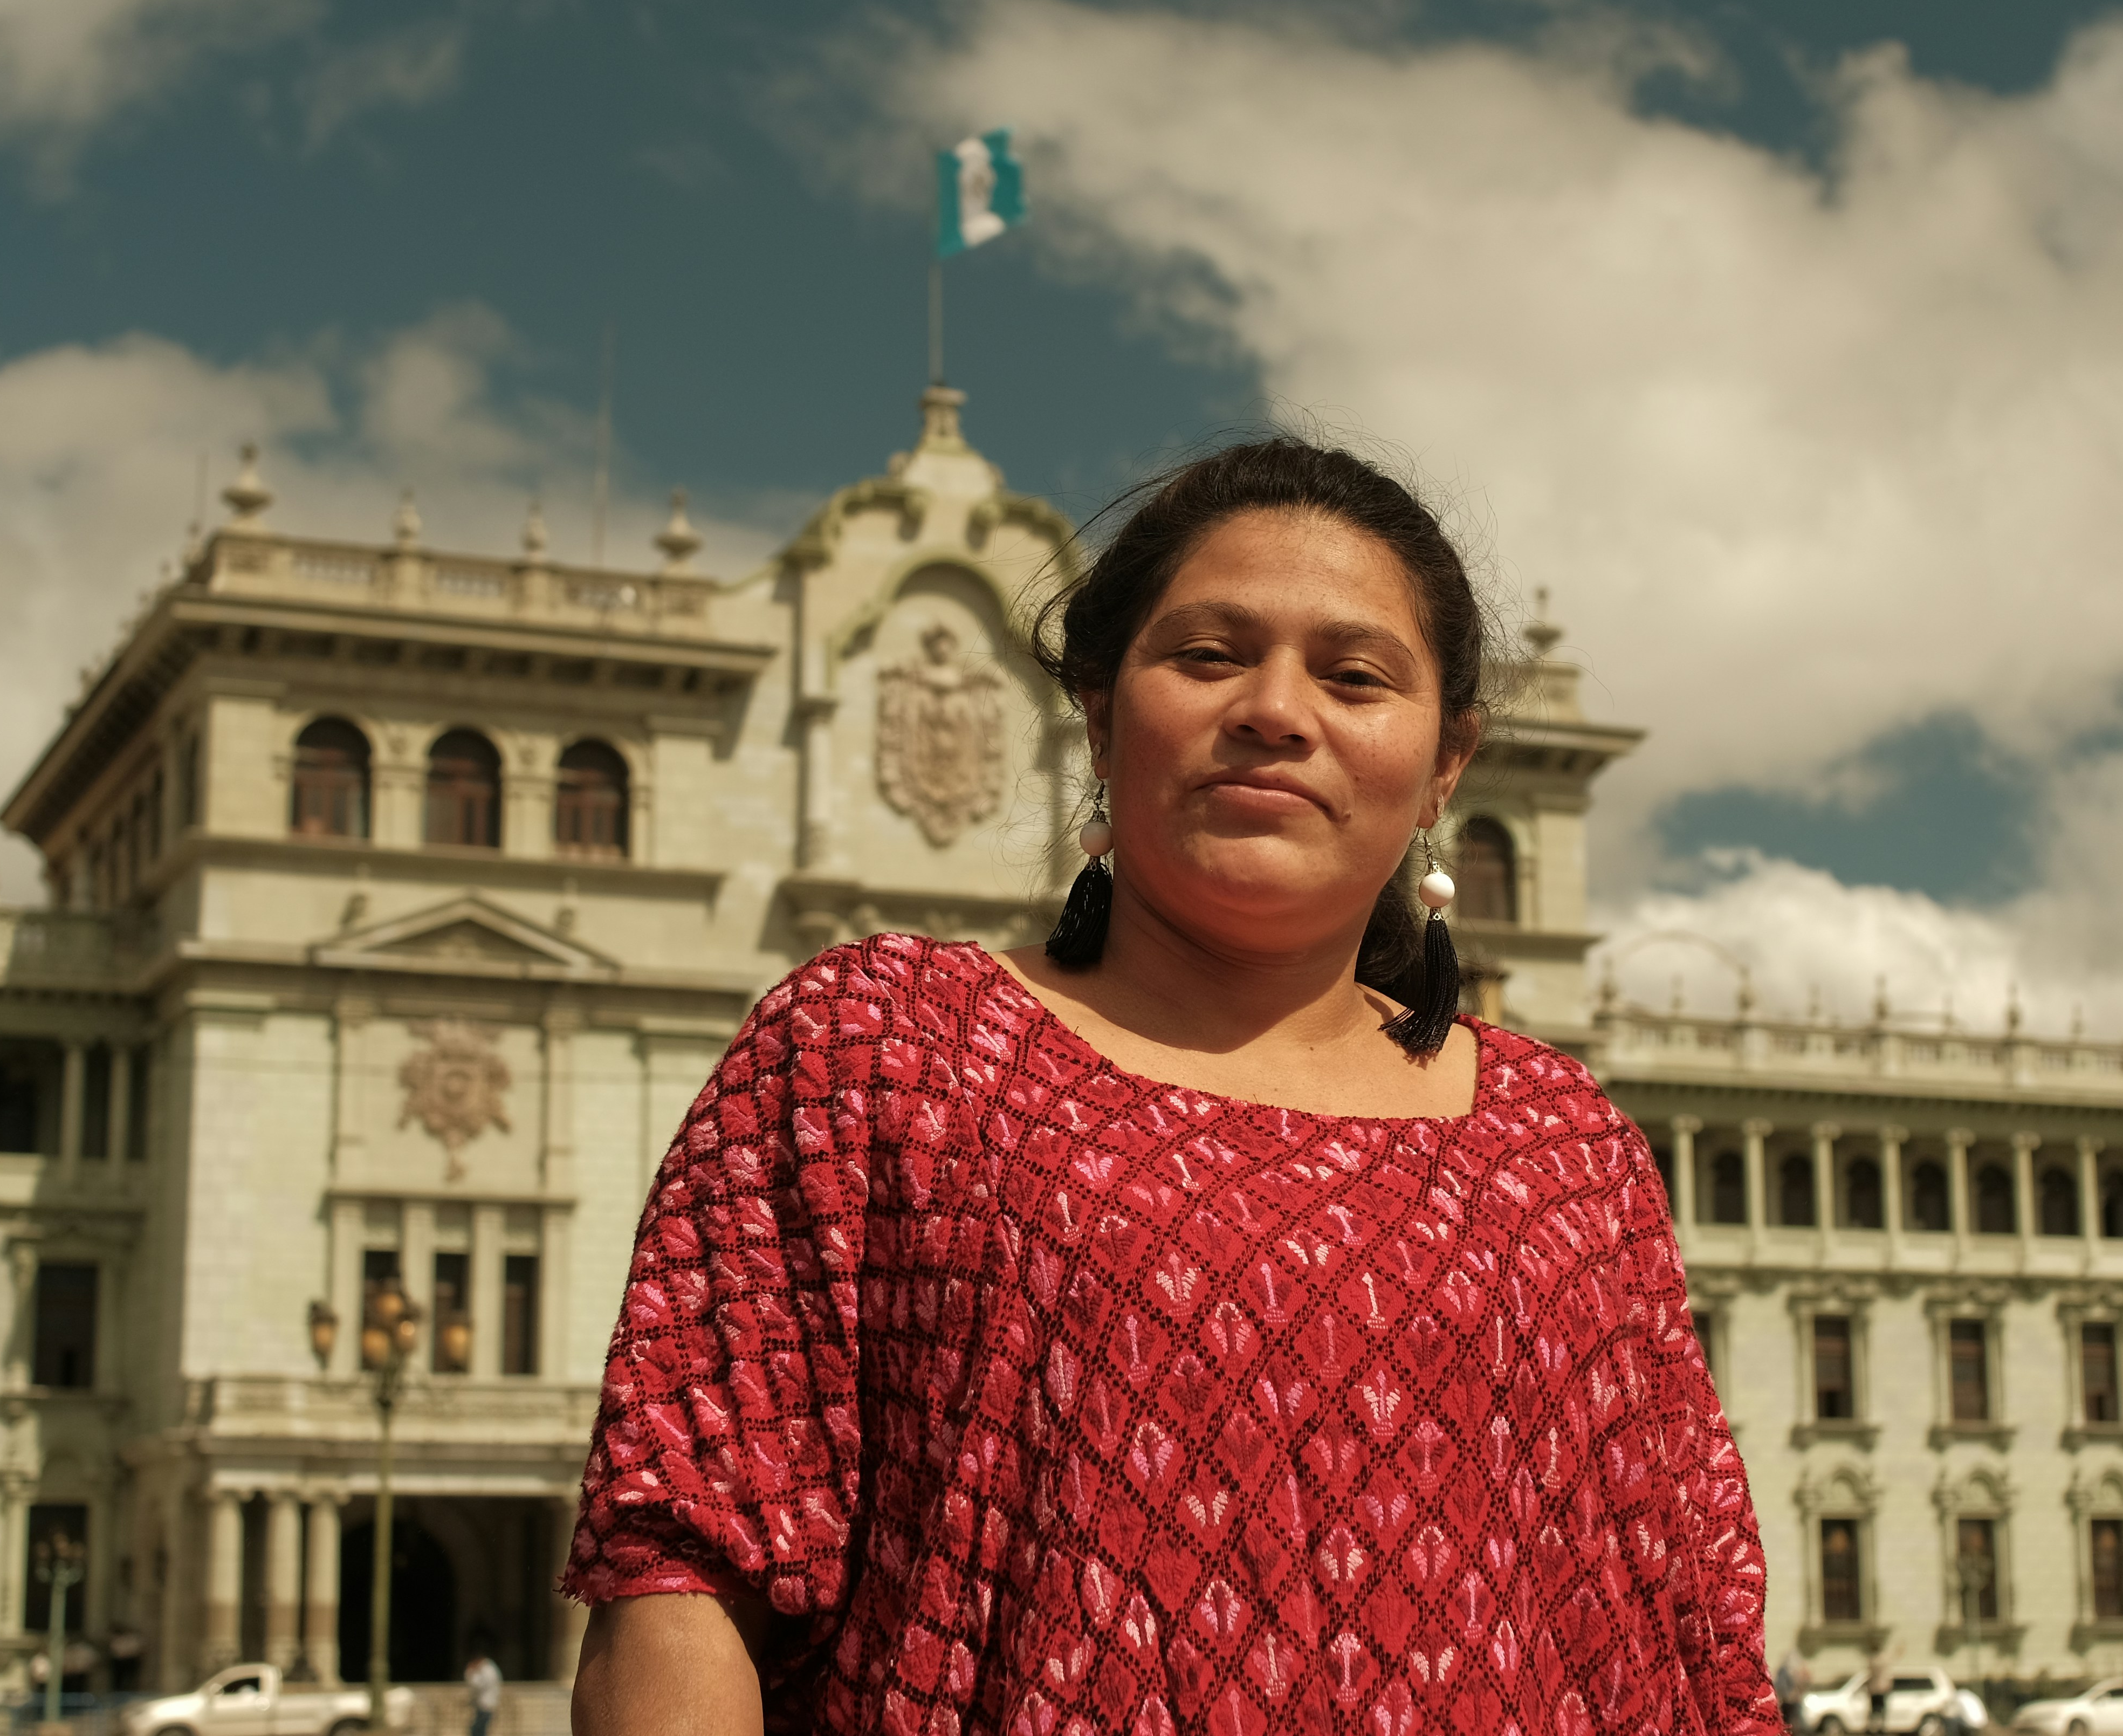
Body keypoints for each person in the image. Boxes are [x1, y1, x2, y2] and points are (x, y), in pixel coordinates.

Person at [562, 440, 1788, 1733]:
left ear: (1447, 764)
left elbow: (1689, 1624)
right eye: (1208, 655)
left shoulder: (1563, 1146)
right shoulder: (874, 1052)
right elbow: (678, 1573)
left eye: (1354, 674)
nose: (1274, 705)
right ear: (1098, 712)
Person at [463, 1645, 503, 1736]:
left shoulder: (487, 1670)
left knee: (477, 1731)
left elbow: (478, 1685)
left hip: (485, 1705)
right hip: (486, 1704)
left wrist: (470, 1673)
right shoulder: (490, 1669)